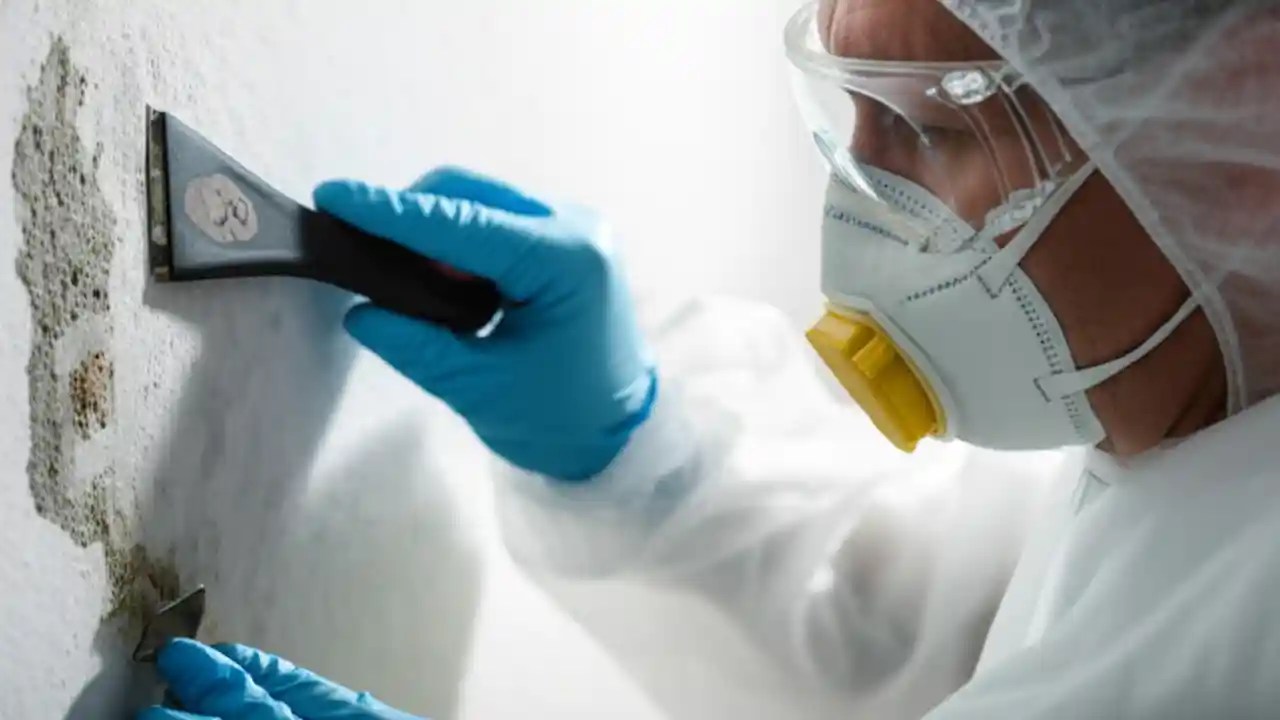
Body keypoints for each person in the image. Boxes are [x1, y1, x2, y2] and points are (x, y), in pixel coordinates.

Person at [138, 1, 1280, 718]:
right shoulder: (1170, 423)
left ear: (1241, 132)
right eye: (849, 118)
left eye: (931, 130)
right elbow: (928, 648)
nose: (861, 209)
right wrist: (639, 458)